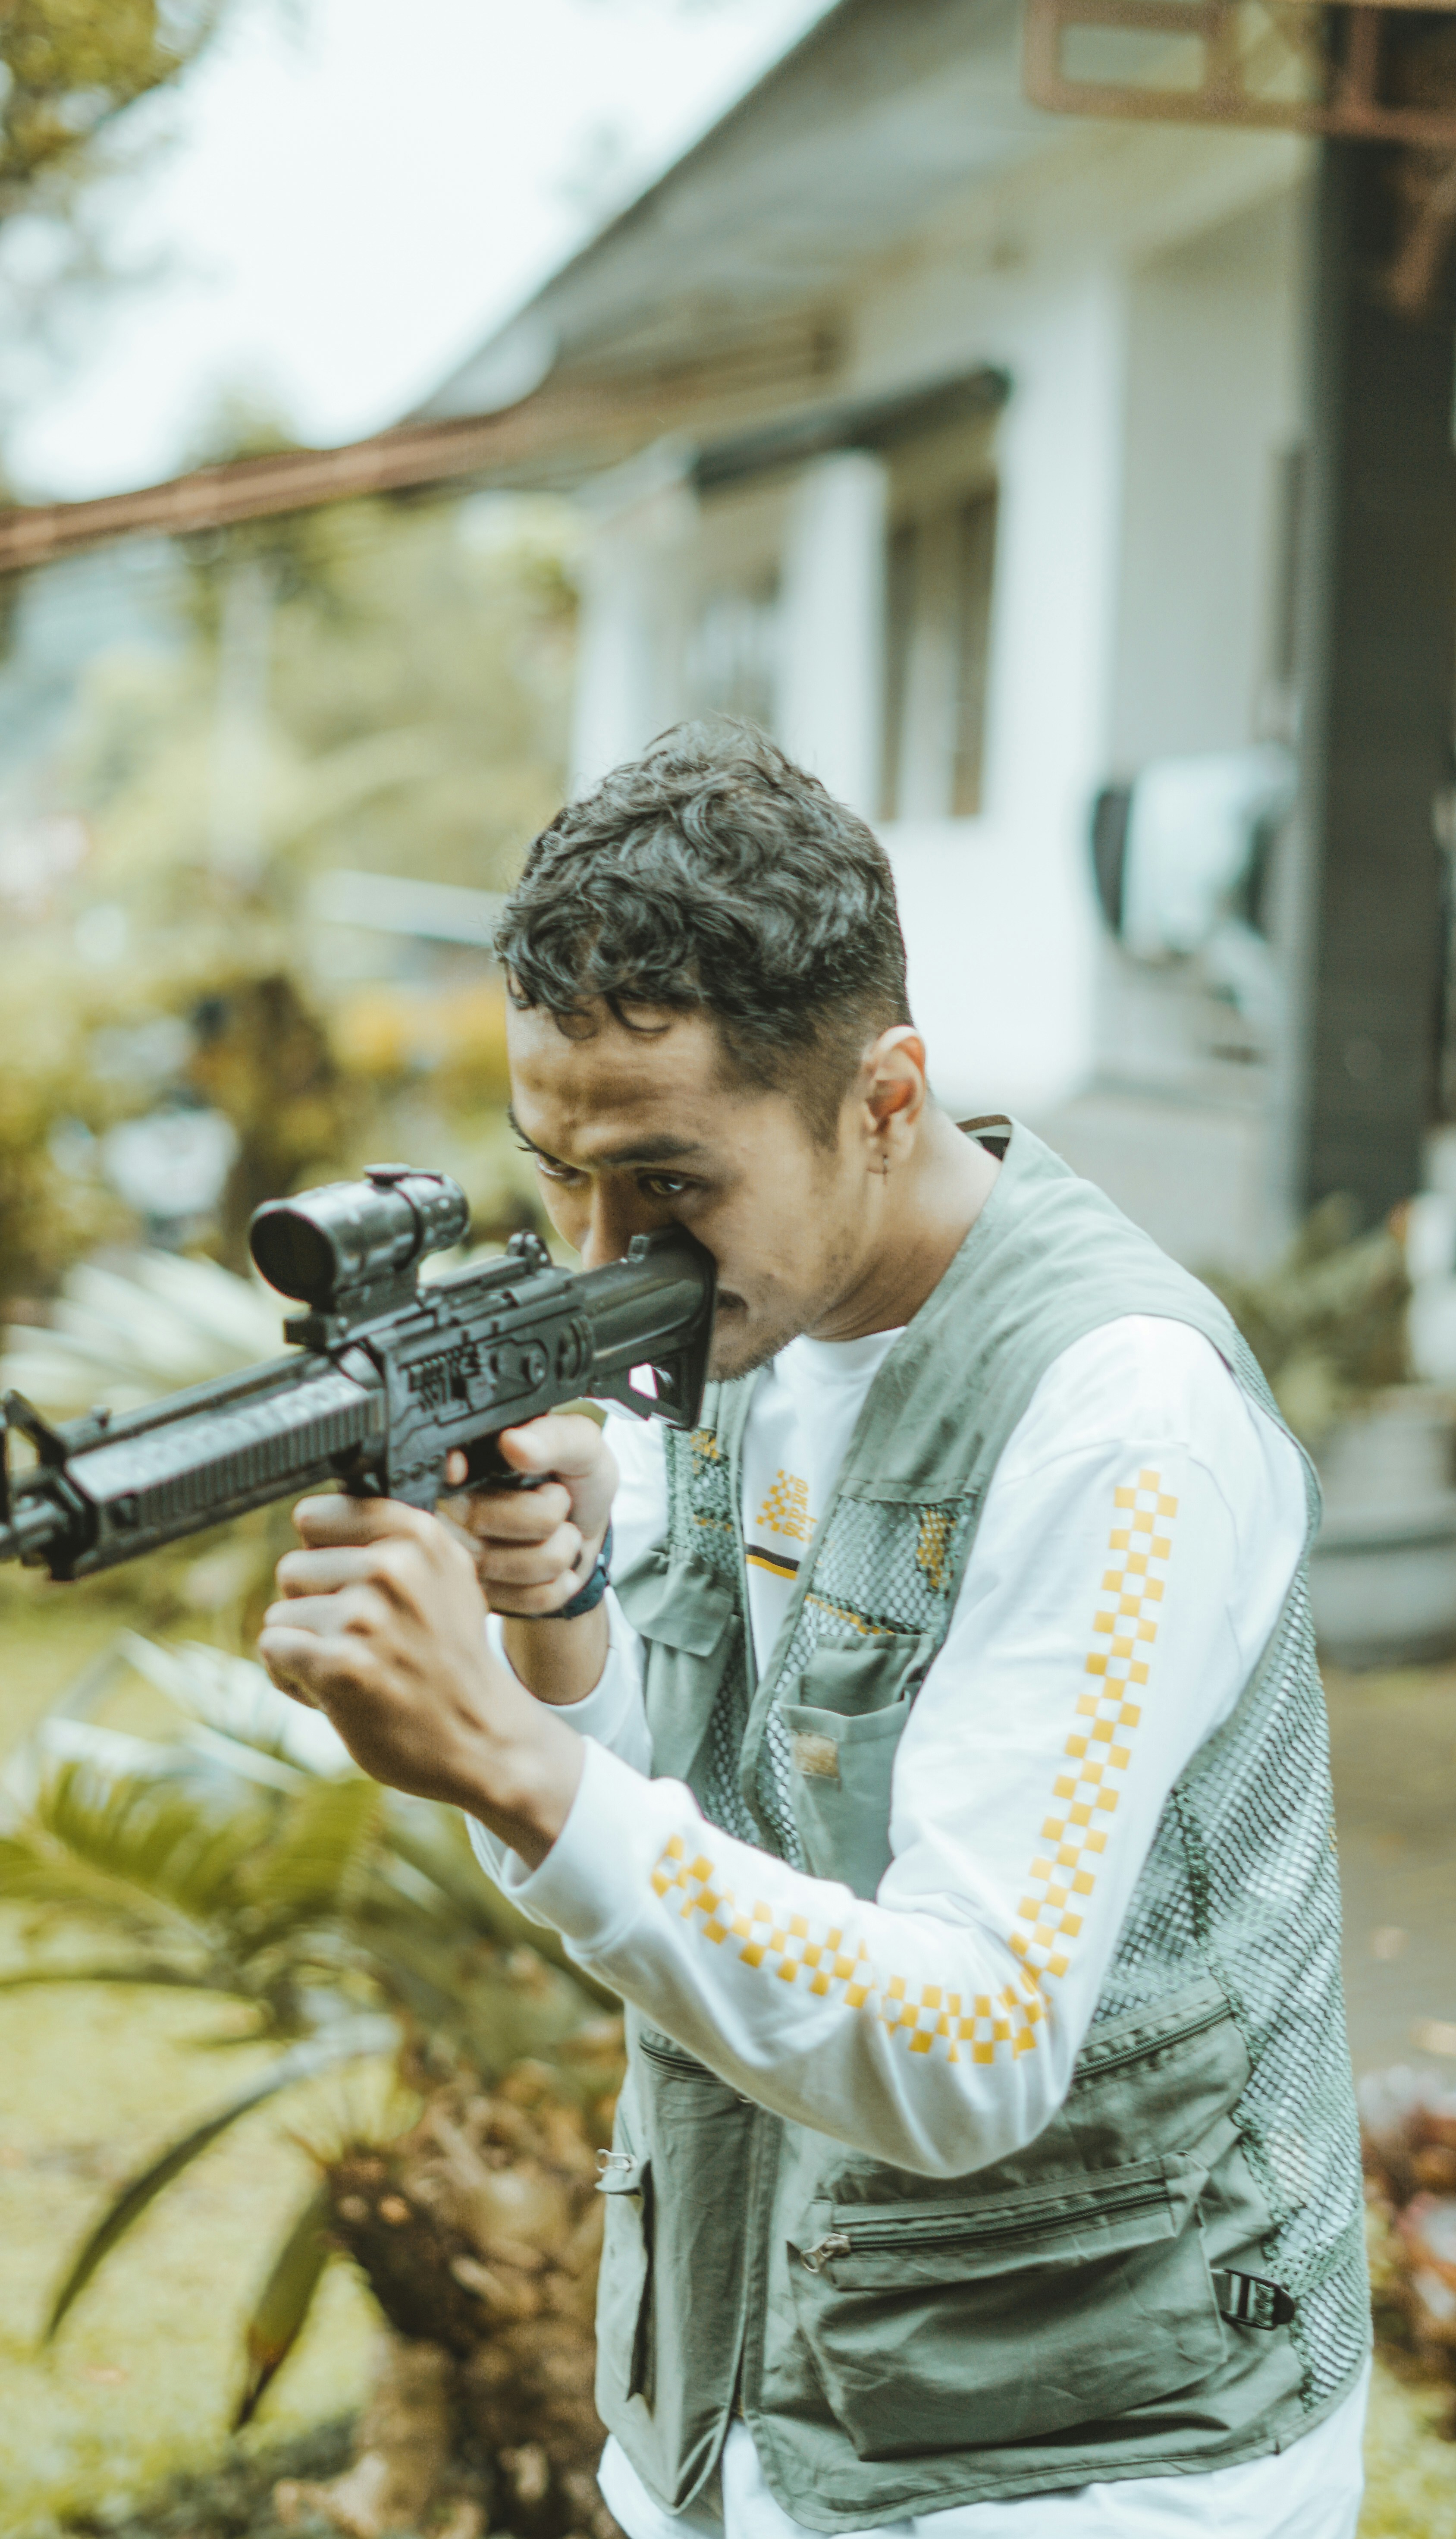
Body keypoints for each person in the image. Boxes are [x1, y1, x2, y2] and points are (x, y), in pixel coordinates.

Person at [258, 723, 1369, 2539]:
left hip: (1084, 2462)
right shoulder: (748, 1326)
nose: (609, 1249)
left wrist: (510, 1763)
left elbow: (975, 2042)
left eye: (670, 1185)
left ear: (885, 1097)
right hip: (745, 2398)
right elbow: (684, 1836)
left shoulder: (1119, 1423)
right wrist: (555, 1615)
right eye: (558, 1171)